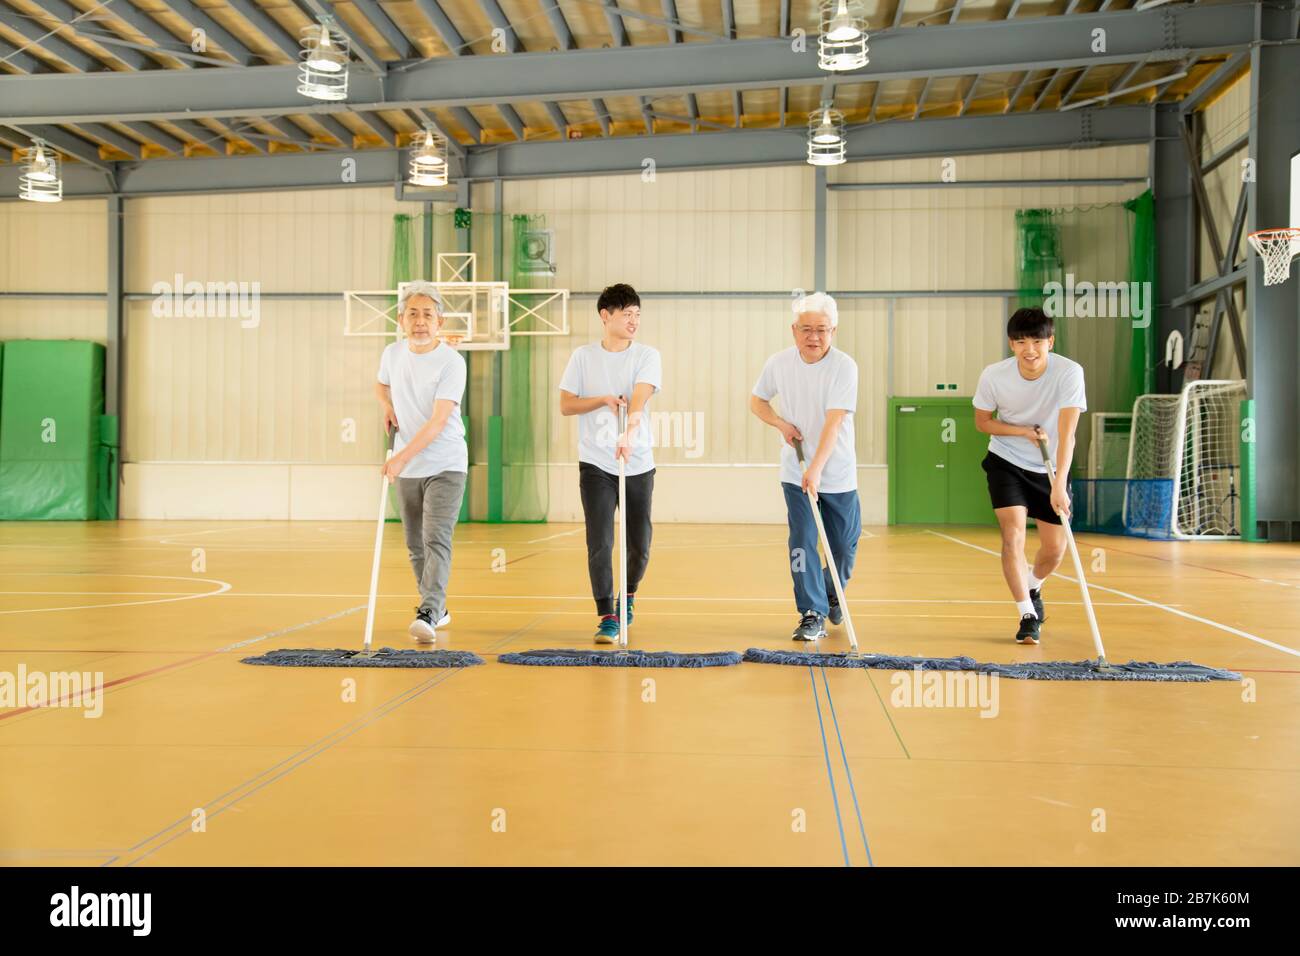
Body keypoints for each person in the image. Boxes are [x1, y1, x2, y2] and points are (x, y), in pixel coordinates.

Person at [972, 306, 1087, 645]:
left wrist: (1059, 483)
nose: (1030, 349)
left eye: (1037, 341)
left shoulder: (1069, 373)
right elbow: (983, 423)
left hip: (1050, 465)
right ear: (1012, 345)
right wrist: (1021, 432)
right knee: (1013, 535)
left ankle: (1034, 584)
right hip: (1006, 460)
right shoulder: (994, 375)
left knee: (1054, 549)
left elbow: (1068, 434)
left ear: (1050, 342)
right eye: (1021, 342)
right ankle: (1026, 614)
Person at [750, 292, 861, 642]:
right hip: (795, 473)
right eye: (806, 329)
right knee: (802, 542)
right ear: (793, 330)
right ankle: (811, 612)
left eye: (822, 330)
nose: (814, 337)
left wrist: (816, 467)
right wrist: (781, 424)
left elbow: (834, 422)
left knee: (843, 546)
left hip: (837, 472)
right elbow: (757, 401)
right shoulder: (779, 363)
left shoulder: (844, 366)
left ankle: (831, 593)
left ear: (834, 330)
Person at [558, 283, 662, 644]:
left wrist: (630, 431)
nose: (633, 320)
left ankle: (628, 594)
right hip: (595, 463)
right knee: (600, 541)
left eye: (637, 315)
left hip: (637, 460)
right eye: (626, 314)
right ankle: (607, 614)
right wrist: (600, 400)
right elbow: (567, 404)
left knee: (639, 543)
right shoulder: (583, 357)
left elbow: (640, 396)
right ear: (606, 316)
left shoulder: (647, 355)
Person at [375, 281, 468, 644]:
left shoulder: (451, 362)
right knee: (415, 543)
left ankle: (428, 610)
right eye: (412, 313)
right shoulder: (392, 353)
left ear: (439, 322)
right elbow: (381, 385)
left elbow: (438, 422)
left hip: (445, 462)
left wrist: (398, 458)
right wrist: (386, 406)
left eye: (428, 314)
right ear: (401, 319)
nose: (420, 321)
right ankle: (438, 606)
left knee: (435, 537)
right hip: (409, 466)